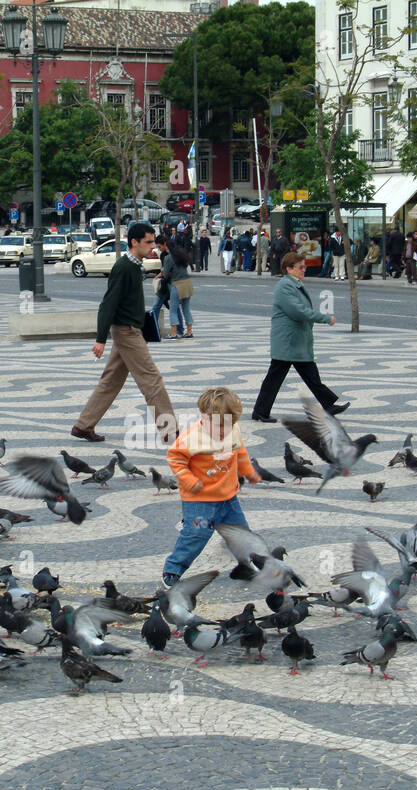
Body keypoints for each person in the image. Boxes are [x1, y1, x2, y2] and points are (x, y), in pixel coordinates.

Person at [71, 221, 177, 444]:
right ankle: (171, 431)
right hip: (126, 332)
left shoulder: (135, 265)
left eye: (153, 241)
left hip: (131, 330)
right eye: (148, 242)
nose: (153, 246)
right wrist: (100, 339)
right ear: (134, 242)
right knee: (151, 379)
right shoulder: (123, 267)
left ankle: (83, 425)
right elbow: (108, 304)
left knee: (111, 381)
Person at [160, 386, 261, 587]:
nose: (225, 430)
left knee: (242, 535)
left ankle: (246, 566)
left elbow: (240, 451)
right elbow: (175, 459)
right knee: (195, 535)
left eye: (230, 425)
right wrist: (189, 480)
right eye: (220, 425)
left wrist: (248, 471)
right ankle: (173, 569)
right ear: (204, 417)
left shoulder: (232, 431)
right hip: (200, 501)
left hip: (228, 498)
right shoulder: (191, 438)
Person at [250, 251, 348, 423]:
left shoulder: (294, 284)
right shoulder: (285, 286)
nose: (304, 270)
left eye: (305, 266)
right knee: (275, 378)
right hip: (288, 341)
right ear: (289, 268)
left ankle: (329, 404)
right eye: (301, 267)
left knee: (310, 374)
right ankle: (260, 411)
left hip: (295, 341)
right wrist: (325, 318)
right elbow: (298, 311)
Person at [164, 243, 195, 339]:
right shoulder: (182, 256)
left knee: (173, 310)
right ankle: (189, 332)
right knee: (186, 309)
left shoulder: (168, 258)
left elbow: (165, 274)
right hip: (188, 283)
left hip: (177, 284)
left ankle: (174, 333)